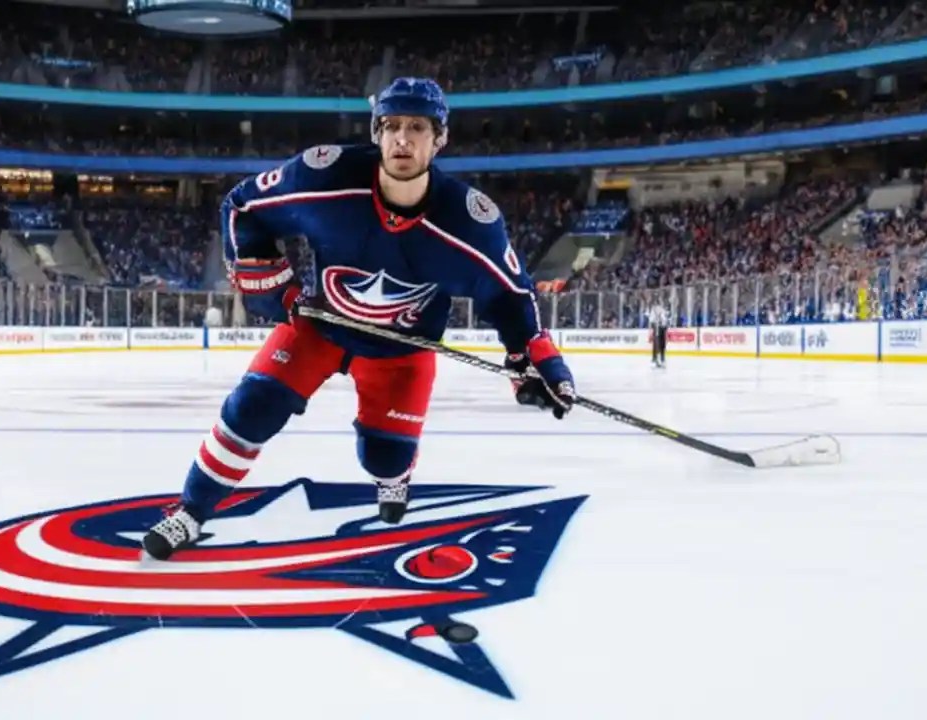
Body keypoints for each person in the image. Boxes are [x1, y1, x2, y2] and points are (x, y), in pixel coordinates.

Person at [139, 77, 578, 561]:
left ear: (441, 139)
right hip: (317, 326)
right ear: (376, 132)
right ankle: (191, 511)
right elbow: (241, 207)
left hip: (402, 351)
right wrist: (273, 289)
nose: (403, 140)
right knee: (250, 410)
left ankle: (396, 475)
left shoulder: (470, 224)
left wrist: (537, 362)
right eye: (391, 126)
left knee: (382, 457)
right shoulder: (323, 177)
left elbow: (511, 298)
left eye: (417, 128)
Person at [648, 301, 669, 368]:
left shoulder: (662, 309)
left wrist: (664, 325)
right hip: (657, 327)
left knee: (661, 344)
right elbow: (652, 320)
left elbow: (664, 319)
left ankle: (661, 358)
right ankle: (656, 358)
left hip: (661, 328)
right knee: (657, 343)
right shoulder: (654, 310)